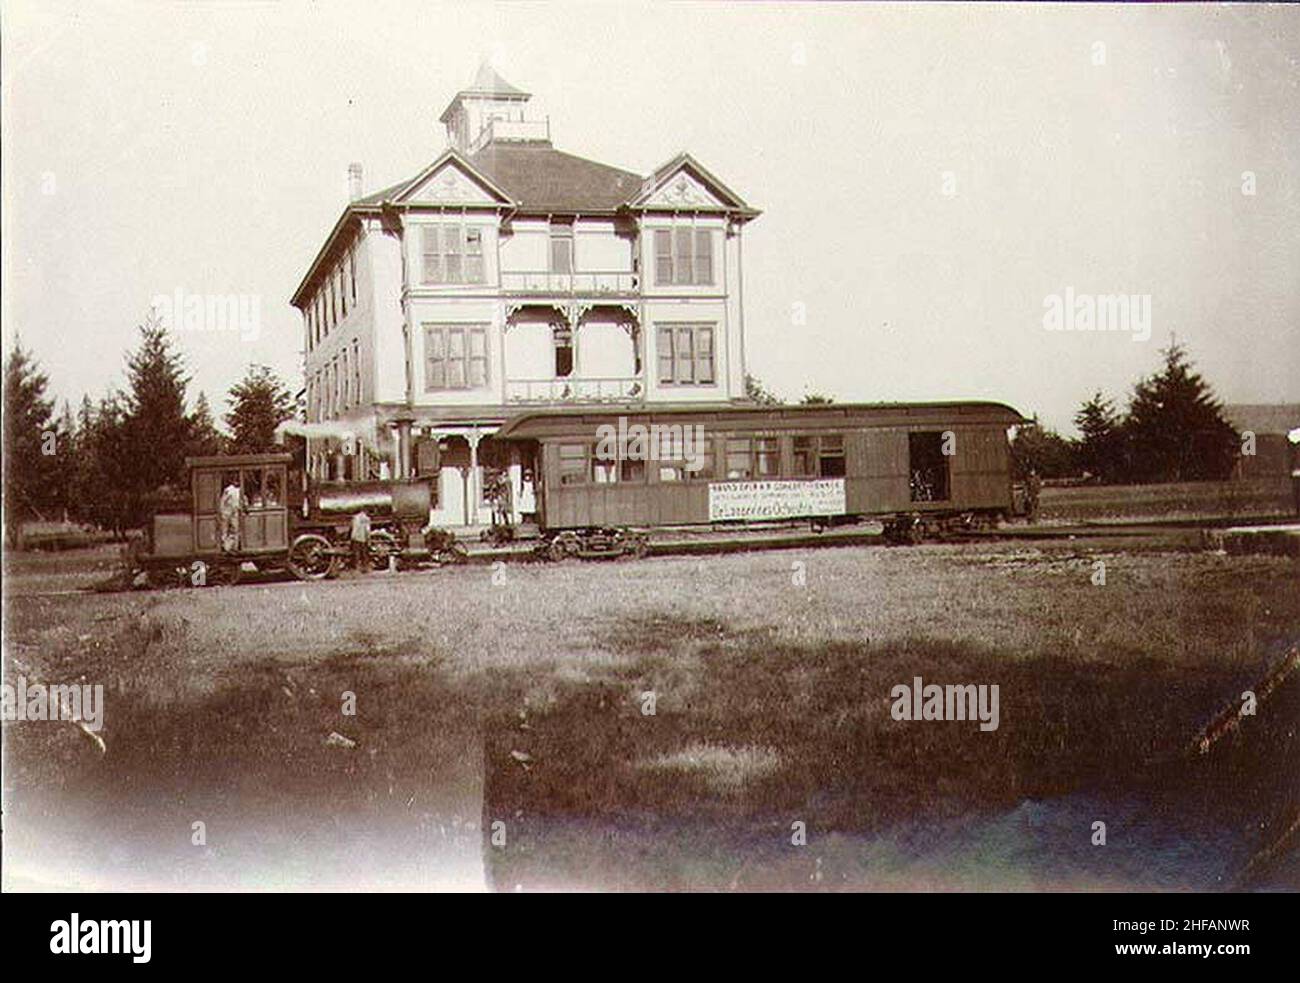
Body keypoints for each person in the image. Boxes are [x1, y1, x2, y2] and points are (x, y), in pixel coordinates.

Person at [218, 474, 242, 552]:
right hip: (227, 512)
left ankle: (234, 546)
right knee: (225, 529)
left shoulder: (239, 490)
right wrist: (222, 511)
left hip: (234, 512)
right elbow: (223, 501)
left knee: (235, 529)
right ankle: (225, 547)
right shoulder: (228, 490)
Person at [350, 509, 371, 573]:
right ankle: (365, 567)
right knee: (364, 553)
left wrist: (352, 537)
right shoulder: (367, 519)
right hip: (363, 538)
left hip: (356, 537)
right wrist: (368, 538)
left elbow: (354, 528)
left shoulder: (355, 518)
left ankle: (357, 567)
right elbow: (367, 530)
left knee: (356, 553)